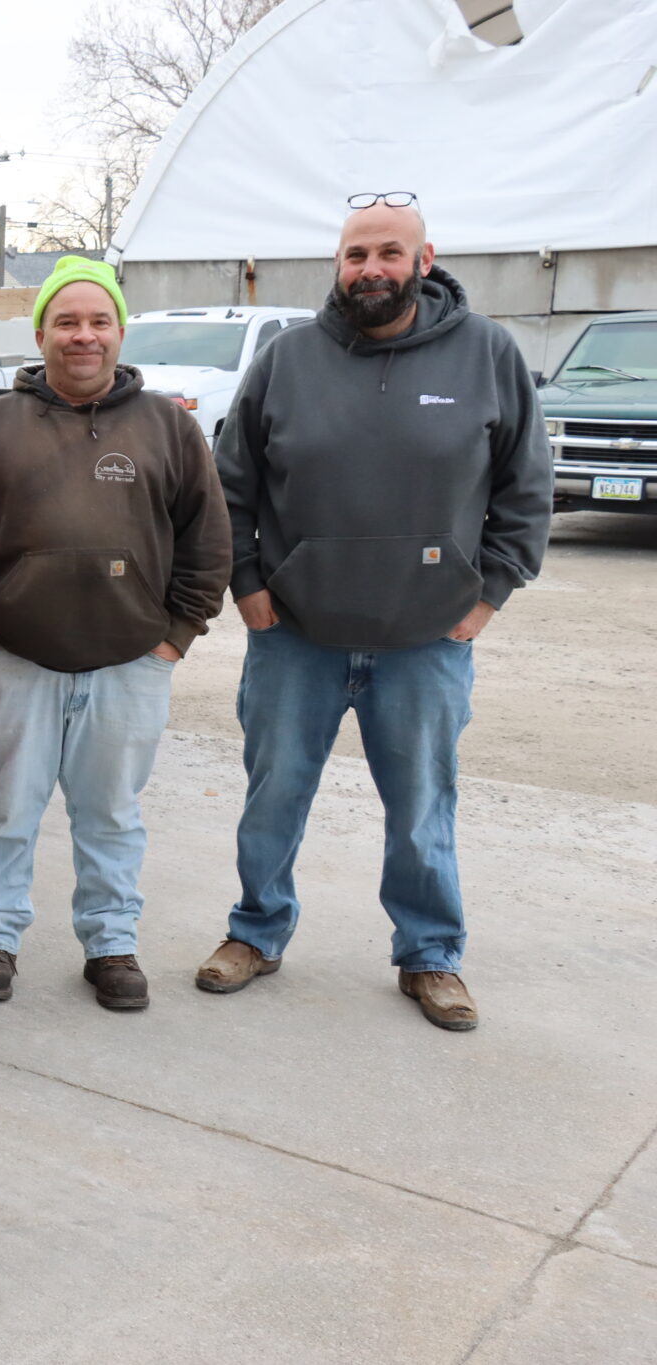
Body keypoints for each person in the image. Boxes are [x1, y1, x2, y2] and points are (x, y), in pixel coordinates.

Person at [198, 193, 552, 1030]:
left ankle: (430, 955)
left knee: (424, 806)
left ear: (425, 262)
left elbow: (526, 489)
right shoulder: (287, 358)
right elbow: (231, 483)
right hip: (296, 636)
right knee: (273, 795)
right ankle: (256, 931)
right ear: (338, 265)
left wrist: (487, 595)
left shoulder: (487, 354)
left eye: (390, 254)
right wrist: (247, 586)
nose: (371, 270)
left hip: (426, 640)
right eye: (356, 255)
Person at [0, 256, 230, 1010]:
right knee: (7, 807)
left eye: (99, 321)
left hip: (130, 664)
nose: (84, 336)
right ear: (39, 332)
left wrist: (174, 637)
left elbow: (208, 541)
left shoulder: (169, 425)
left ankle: (111, 943)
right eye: (68, 322)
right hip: (14, 661)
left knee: (111, 813)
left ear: (119, 330)